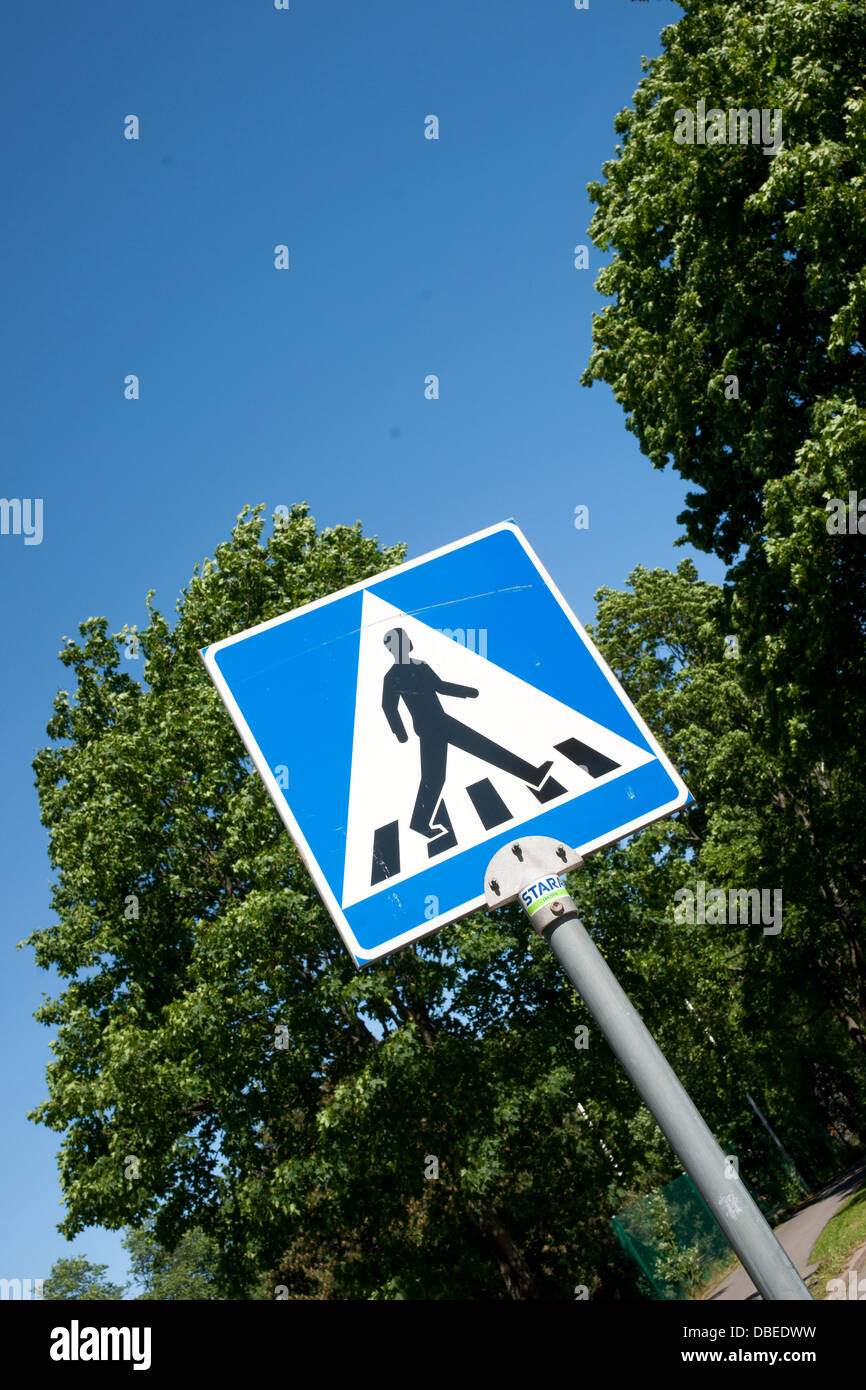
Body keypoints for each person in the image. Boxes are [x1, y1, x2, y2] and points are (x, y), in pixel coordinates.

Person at [381, 628, 552, 839]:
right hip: (429, 726)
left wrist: (466, 692)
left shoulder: (420, 665)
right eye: (405, 639)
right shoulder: (392, 677)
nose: (410, 641)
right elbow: (388, 706)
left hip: (439, 721)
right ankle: (419, 823)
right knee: (462, 761)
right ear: (396, 646)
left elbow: (440, 686)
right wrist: (400, 733)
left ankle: (533, 775)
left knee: (442, 772)